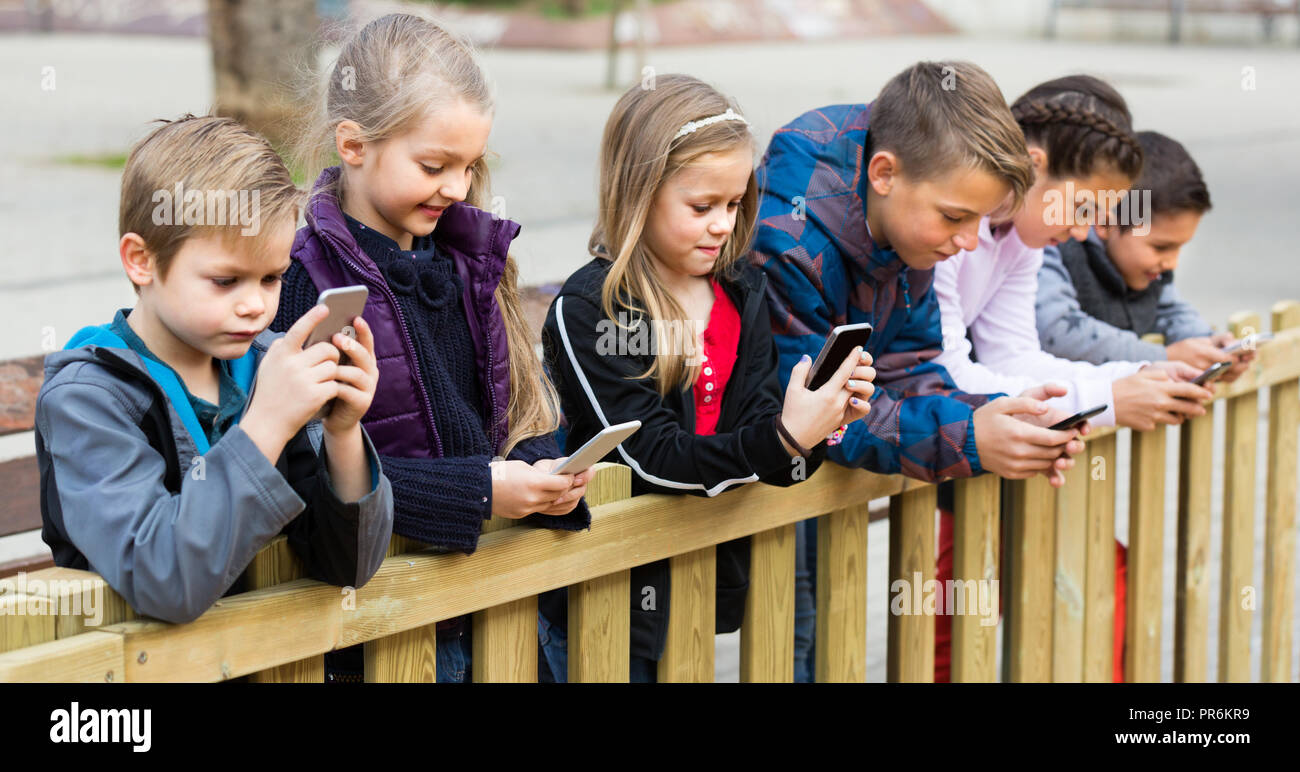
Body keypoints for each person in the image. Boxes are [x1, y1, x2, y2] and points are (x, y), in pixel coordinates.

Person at [274, 13, 590, 683]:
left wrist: (544, 468)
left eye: (471, 165)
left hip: (498, 613)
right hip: (385, 635)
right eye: (434, 165)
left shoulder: (470, 262)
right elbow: (313, 484)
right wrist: (480, 492)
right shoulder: (309, 286)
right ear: (353, 145)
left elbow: (511, 414)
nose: (456, 187)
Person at [751, 61, 1088, 681]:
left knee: (823, 632)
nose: (968, 242)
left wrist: (992, 421)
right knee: (792, 638)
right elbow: (815, 412)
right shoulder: (789, 241)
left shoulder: (909, 217)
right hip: (731, 474)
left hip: (800, 476)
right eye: (956, 217)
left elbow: (910, 365)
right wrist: (970, 437)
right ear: (884, 174)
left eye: (981, 223)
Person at [538, 74, 874, 681]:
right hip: (603, 595)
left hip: (703, 582)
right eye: (702, 207)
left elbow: (769, 450)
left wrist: (820, 424)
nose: (724, 225)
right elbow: (650, 457)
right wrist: (783, 437)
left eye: (735, 204)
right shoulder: (592, 308)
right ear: (638, 194)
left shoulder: (742, 290)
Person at [35, 114, 393, 625]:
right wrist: (266, 424)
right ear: (142, 261)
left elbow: (349, 566)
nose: (255, 306)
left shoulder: (265, 367)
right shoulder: (87, 400)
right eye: (226, 281)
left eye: (271, 278)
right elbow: (165, 579)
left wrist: (342, 433)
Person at [931, 76, 1216, 682]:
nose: (1086, 231)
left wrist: (1140, 372)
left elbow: (1015, 356)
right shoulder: (957, 228)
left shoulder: (1020, 238)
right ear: (1034, 166)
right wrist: (1111, 396)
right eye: (1083, 208)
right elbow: (950, 373)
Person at [1036, 129, 1253, 381]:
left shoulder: (1152, 272)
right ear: (1105, 224)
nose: (1172, 262)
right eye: (1161, 247)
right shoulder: (1055, 247)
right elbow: (1057, 331)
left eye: (1180, 247)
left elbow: (1170, 311)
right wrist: (1165, 357)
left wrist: (1208, 345)